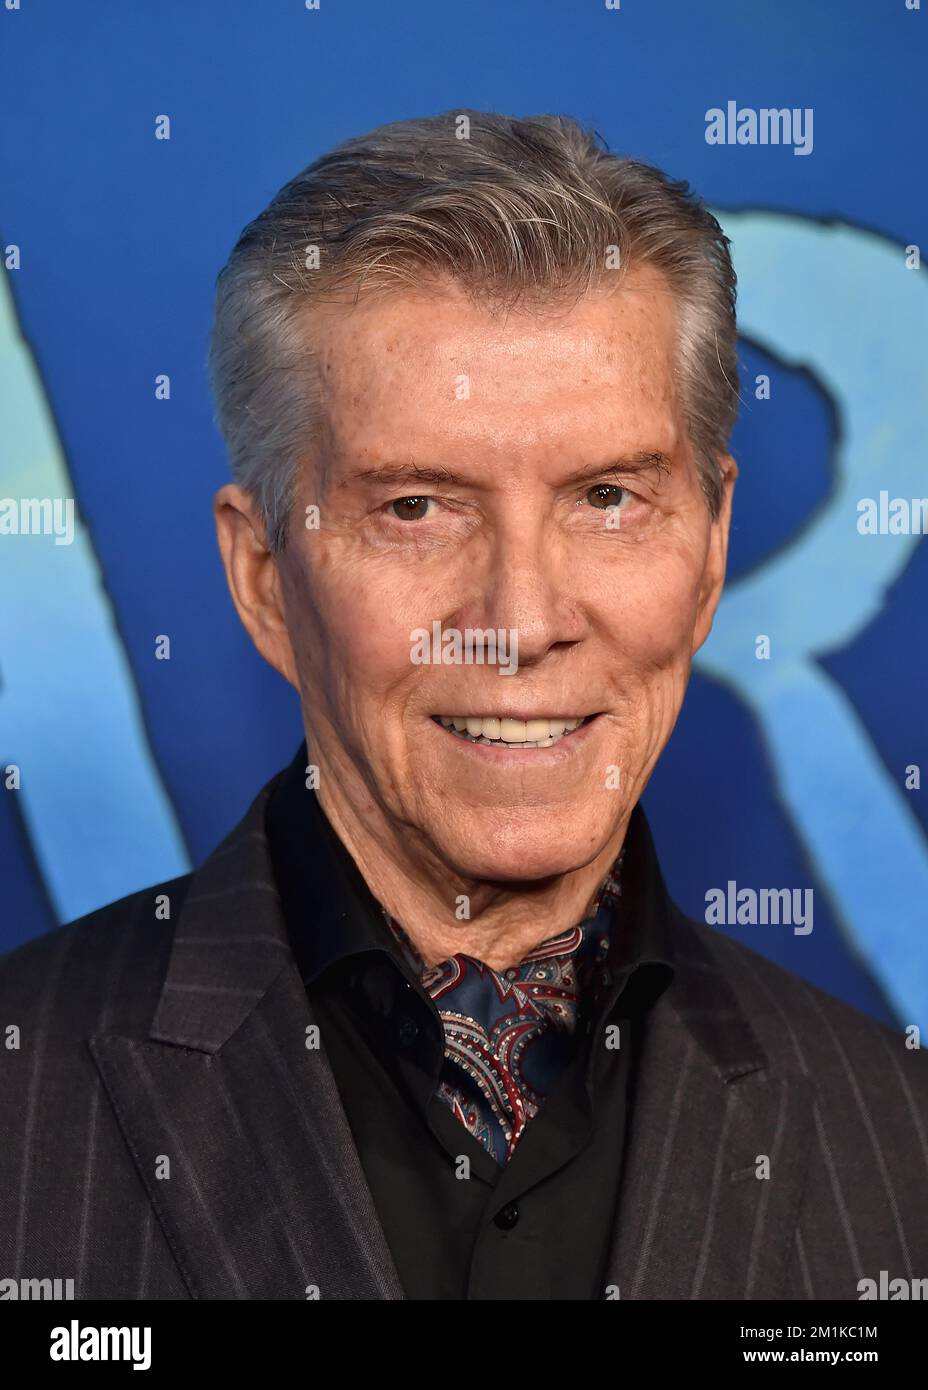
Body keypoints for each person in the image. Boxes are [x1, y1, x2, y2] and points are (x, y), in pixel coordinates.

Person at [2, 111, 926, 1301]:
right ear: (265, 578)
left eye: (606, 495)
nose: (520, 616)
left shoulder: (896, 1143)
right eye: (417, 508)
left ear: (710, 554)